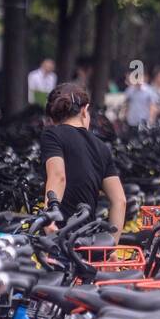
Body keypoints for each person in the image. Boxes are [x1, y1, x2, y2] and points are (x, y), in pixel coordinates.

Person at [39, 84, 126, 241]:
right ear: (85, 110)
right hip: (88, 240)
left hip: (61, 235)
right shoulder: (102, 147)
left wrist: (50, 218)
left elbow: (58, 176)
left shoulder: (52, 135)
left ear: (52, 117)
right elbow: (120, 201)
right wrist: (110, 247)